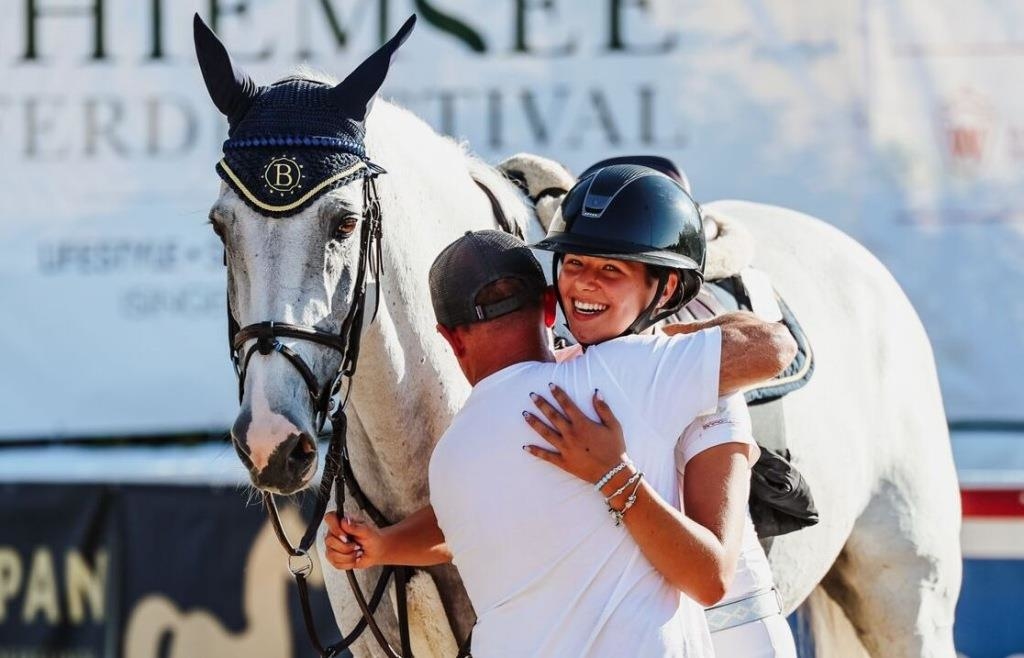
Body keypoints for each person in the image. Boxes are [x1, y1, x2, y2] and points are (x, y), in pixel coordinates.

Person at [324, 224, 794, 656]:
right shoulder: (619, 371)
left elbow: (468, 529)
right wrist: (664, 339)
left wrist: (383, 546)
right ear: (552, 307)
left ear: (450, 339)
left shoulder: (449, 458)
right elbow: (773, 348)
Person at [529, 161, 799, 657]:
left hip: (731, 641)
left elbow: (711, 579)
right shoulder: (560, 373)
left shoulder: (705, 382)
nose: (585, 283)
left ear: (668, 289)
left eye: (611, 268)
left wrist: (613, 472)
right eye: (574, 263)